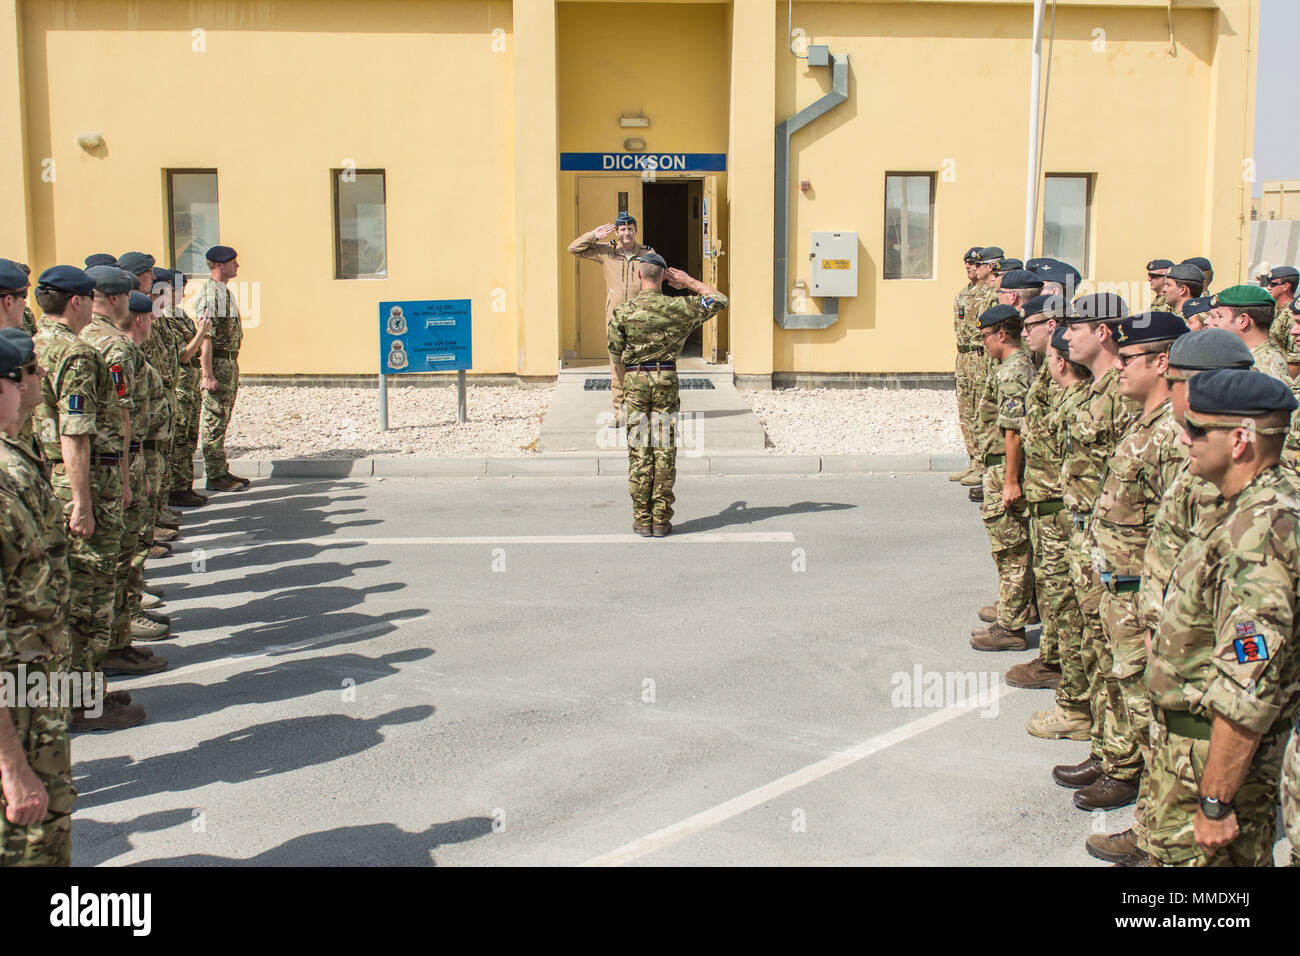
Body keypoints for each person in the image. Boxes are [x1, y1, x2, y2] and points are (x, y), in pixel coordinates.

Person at [1147, 369, 1299, 866]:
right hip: (1190, 750)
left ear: (1240, 441)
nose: (1183, 438)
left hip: (1209, 760)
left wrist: (1215, 802)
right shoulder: (1244, 506)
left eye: (1197, 430)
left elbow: (1247, 685)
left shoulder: (1262, 531)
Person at [1075, 311, 1189, 864]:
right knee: (1130, 703)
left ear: (1161, 363)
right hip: (1120, 591)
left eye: (1129, 359)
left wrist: (1158, 616)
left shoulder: (1171, 433)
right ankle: (1147, 814)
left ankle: (1156, 837)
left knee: (1156, 726)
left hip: (1144, 600)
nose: (1116, 366)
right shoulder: (1142, 420)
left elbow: (1176, 535)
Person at [32, 266, 150, 726]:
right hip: (82, 481)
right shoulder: (76, 354)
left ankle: (86, 689)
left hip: (47, 479)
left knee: (69, 591)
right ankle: (81, 701)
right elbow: (76, 434)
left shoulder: (30, 343)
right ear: (79, 302)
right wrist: (83, 502)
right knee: (89, 594)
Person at [1028, 294, 1139, 747]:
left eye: (1075, 327)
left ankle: (1112, 742)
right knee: (1086, 636)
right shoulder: (1095, 388)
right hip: (1082, 534)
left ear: (1103, 332)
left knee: (1110, 646)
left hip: (1110, 545)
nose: (1065, 335)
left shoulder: (1122, 393)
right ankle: (1093, 723)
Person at [0, 334, 75, 866]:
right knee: (32, 845)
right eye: (24, 373)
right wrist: (13, 768)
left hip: (33, 693)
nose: (34, 382)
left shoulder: (13, 457)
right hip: (15, 710)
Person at [80, 266, 169, 674]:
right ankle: (107, 652)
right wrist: (130, 471)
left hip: (101, 465)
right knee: (113, 562)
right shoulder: (114, 347)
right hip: (113, 465)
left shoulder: (84, 339)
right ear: (116, 299)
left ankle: (116, 644)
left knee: (109, 564)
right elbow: (121, 412)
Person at [607, 253, 726, 536]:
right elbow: (719, 299)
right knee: (664, 449)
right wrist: (688, 281)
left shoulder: (623, 312)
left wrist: (625, 390)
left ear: (639, 275)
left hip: (636, 379)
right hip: (665, 378)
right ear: (664, 277)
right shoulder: (679, 306)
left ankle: (642, 518)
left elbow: (615, 355)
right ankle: (661, 520)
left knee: (639, 449)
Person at [999, 301, 1083, 687]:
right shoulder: (1046, 370)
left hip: (1059, 501)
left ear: (1050, 324)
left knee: (1061, 591)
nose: (1024, 331)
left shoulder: (1069, 375)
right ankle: (1053, 658)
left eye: (1029, 324)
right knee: (1051, 586)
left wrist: (1013, 480)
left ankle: (1062, 669)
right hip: (1044, 496)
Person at [969, 304, 1036, 651]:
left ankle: (1011, 627)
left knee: (1010, 549)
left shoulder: (1013, 371)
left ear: (1001, 335)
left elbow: (1014, 432)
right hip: (997, 466)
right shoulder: (1010, 367)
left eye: (985, 337)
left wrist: (1011, 480)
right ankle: (1013, 609)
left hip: (1004, 468)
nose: (984, 345)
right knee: (1008, 548)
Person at [569, 212, 656, 417]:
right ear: (617, 232)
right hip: (615, 316)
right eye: (623, 229)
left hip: (639, 315)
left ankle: (641, 407)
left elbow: (658, 275)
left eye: (630, 229)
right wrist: (593, 235)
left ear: (635, 230)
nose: (627, 233)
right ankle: (619, 410)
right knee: (617, 363)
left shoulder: (647, 252)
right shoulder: (606, 252)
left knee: (641, 363)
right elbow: (573, 249)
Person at [156, 269, 210, 508]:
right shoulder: (165, 317)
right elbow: (185, 355)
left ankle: (184, 485)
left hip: (189, 385)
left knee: (188, 438)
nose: (183, 293)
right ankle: (176, 489)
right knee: (178, 440)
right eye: (179, 288)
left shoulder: (178, 314)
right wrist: (201, 333)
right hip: (179, 385)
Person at [197, 245, 249, 491]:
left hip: (227, 362)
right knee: (214, 418)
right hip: (217, 362)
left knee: (222, 417)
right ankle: (214, 475)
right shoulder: (211, 295)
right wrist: (207, 374)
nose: (236, 266)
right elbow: (205, 336)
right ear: (219, 265)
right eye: (232, 262)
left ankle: (220, 469)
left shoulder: (223, 292)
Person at [951, 246, 985, 484]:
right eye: (966, 263)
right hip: (963, 357)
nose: (968, 267)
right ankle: (973, 460)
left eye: (973, 263)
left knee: (982, 409)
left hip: (979, 356)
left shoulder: (990, 294)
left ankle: (984, 464)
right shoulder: (964, 293)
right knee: (966, 412)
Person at [1263, 265, 1299, 377]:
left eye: (1273, 284)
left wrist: (1286, 384)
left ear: (1286, 286)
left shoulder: (1291, 315)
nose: (1268, 287)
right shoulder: (1276, 310)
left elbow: (1295, 358)